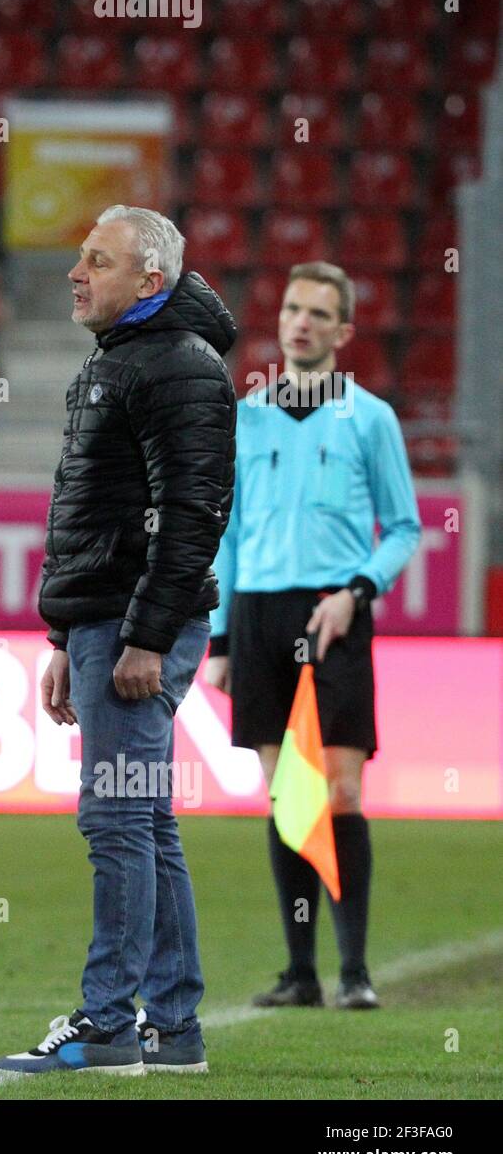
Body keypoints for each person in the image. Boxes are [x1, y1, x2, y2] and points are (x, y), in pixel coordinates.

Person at [0, 205, 236, 1075]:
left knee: (116, 819)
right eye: (80, 256)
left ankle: (107, 1023)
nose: (75, 271)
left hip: (138, 628)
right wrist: (69, 631)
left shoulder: (176, 365)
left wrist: (144, 635)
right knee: (146, 820)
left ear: (151, 280)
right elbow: (101, 514)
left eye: (97, 259)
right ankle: (171, 1028)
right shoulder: (129, 359)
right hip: (109, 622)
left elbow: (193, 514)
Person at [205, 261, 421, 1011]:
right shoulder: (246, 417)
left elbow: (403, 528)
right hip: (261, 614)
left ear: (342, 331)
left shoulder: (370, 418)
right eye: (293, 308)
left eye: (318, 313)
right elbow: (227, 535)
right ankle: (301, 973)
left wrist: (357, 591)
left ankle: (355, 968)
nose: (300, 322)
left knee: (340, 787)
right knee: (288, 795)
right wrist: (222, 637)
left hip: (333, 616)